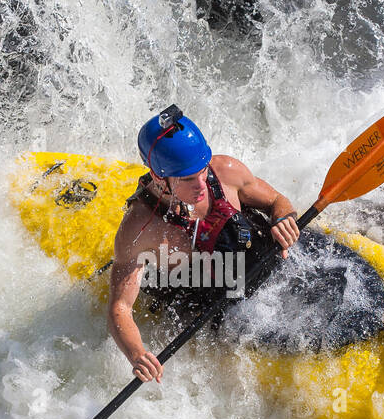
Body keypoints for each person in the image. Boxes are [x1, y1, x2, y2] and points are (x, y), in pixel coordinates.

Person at [107, 105, 302, 383]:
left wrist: (284, 218)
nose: (202, 183)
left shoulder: (225, 171)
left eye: (201, 170)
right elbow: (120, 308)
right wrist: (137, 353)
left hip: (262, 267)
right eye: (188, 178)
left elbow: (275, 201)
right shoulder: (139, 230)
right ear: (160, 177)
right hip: (210, 303)